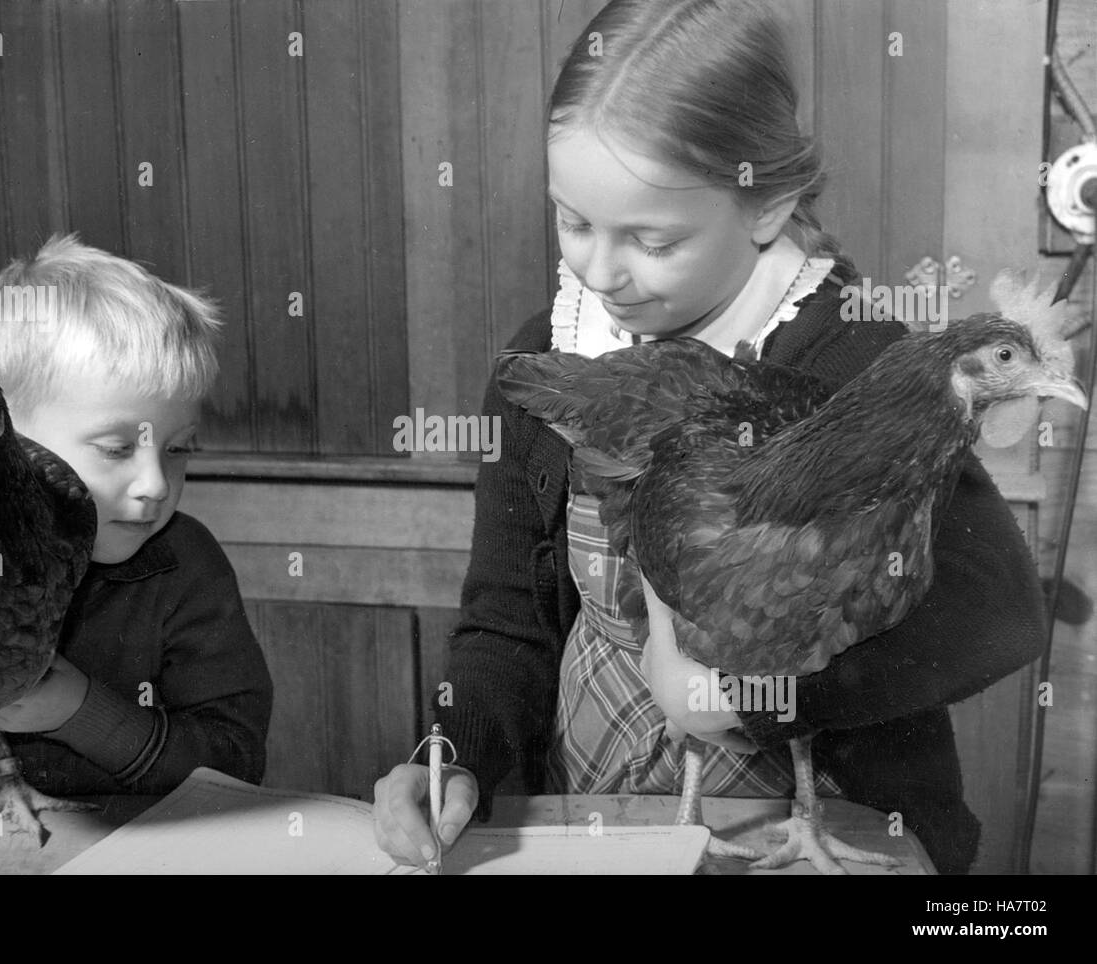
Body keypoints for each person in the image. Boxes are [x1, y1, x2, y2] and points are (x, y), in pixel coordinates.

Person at [373, 0, 1045, 874]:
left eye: (651, 238)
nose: (602, 270)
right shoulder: (551, 358)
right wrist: (454, 753)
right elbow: (507, 622)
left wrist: (748, 698)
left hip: (831, 827)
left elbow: (996, 615)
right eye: (573, 223)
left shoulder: (866, 365)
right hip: (597, 797)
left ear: (766, 207)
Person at [0, 235, 273, 799]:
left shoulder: (186, 564)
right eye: (117, 450)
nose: (155, 485)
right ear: (1, 434)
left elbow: (236, 763)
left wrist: (80, 712)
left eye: (178, 447)